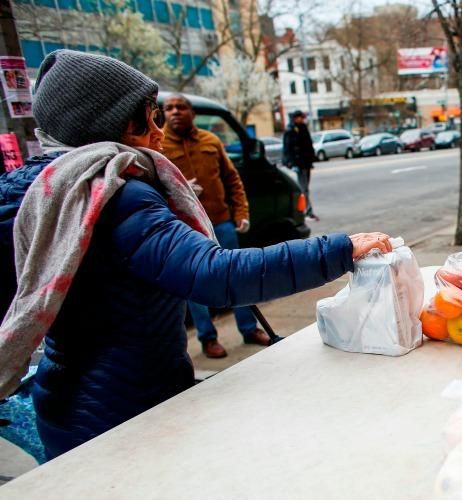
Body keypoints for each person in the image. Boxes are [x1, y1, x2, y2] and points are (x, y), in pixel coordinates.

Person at [0, 50, 393, 458]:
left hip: (66, 405)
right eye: (148, 119)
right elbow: (214, 275)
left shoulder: (34, 195)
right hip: (127, 417)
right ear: (109, 125)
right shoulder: (116, 196)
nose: (158, 133)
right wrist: (340, 249)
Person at [162, 94, 268, 358]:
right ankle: (207, 338)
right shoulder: (157, 147)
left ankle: (249, 328)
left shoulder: (211, 141)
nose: (175, 112)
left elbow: (232, 179)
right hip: (184, 230)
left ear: (192, 112)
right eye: (169, 108)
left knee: (235, 276)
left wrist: (240, 212)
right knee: (193, 285)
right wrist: (179, 192)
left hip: (221, 223)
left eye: (181, 107)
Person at [283, 110, 318, 221]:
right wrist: (292, 163)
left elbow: (308, 144)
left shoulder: (303, 127)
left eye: (302, 118)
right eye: (300, 118)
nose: (302, 120)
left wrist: (311, 159)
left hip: (306, 163)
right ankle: (307, 211)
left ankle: (305, 211)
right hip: (299, 163)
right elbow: (288, 148)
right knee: (304, 189)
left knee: (305, 188)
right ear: (295, 118)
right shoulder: (291, 129)